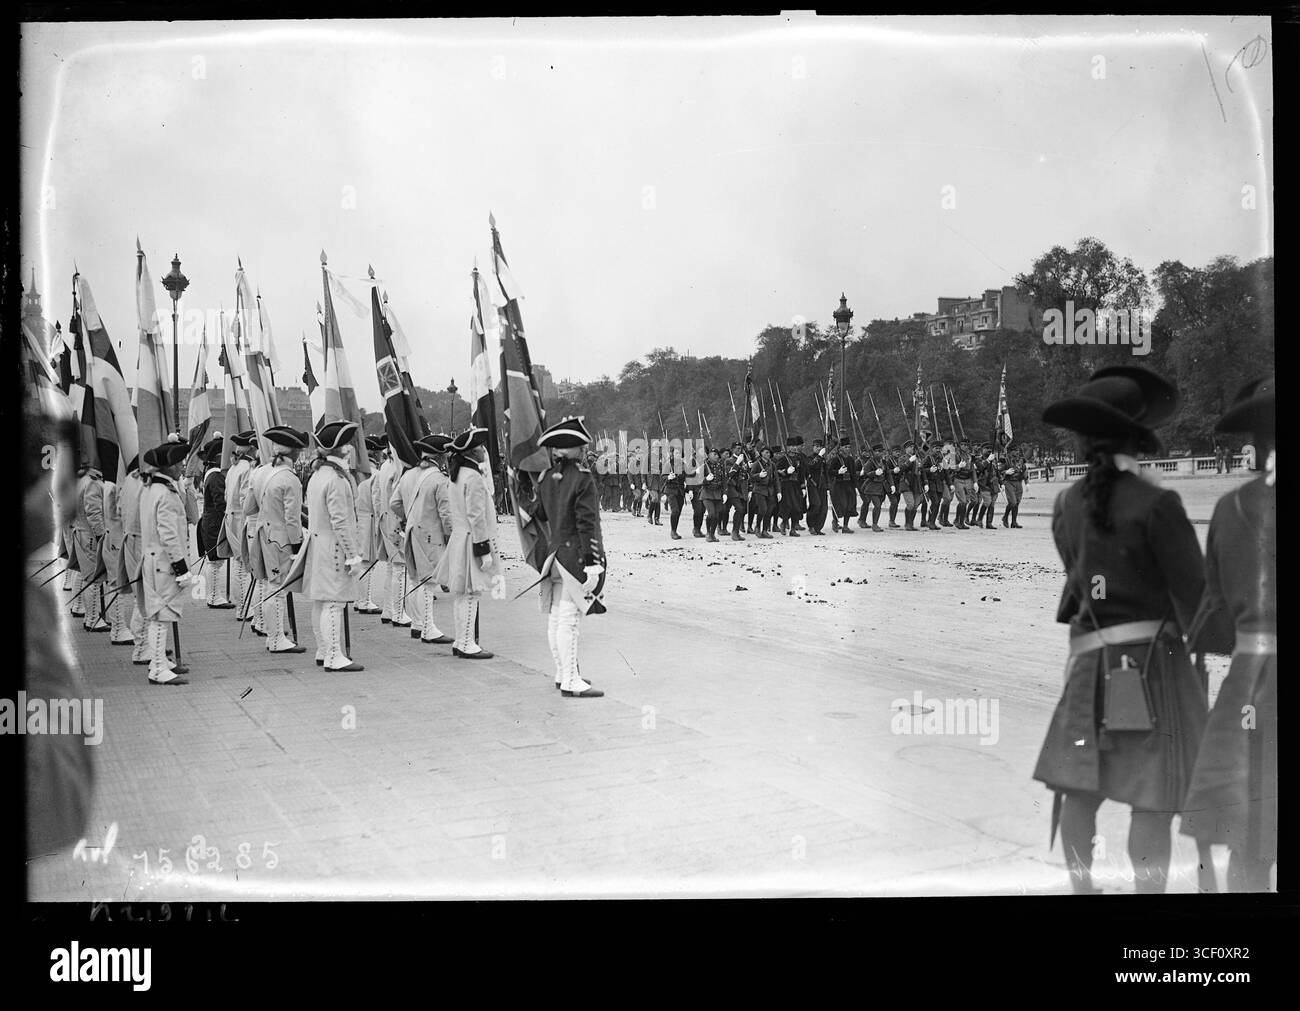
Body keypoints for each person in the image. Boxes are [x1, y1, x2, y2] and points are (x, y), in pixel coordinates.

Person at [1033, 365, 1207, 894]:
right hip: (1152, 668)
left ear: (1082, 441)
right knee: (1150, 797)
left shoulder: (1065, 503)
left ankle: (1084, 891)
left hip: (1090, 665)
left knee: (1080, 790)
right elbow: (1195, 596)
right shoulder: (1159, 503)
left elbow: (1077, 582)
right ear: (1137, 437)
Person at [1181, 377, 1276, 891]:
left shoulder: (1230, 508)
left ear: (1256, 445)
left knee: (1250, 839)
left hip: (1248, 681)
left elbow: (1213, 617)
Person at [533, 417, 607, 698]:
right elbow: (587, 525)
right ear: (576, 449)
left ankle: (563, 672)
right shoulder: (583, 478)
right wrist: (594, 564)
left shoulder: (545, 478)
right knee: (569, 621)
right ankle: (571, 680)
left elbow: (539, 514)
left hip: (553, 556)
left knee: (556, 619)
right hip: (574, 557)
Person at [299, 420, 366, 672]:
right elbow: (341, 522)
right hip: (335, 548)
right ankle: (334, 656)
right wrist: (353, 555)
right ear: (339, 450)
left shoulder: (319, 474)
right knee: (334, 603)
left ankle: (324, 650)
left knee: (321, 601)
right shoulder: (337, 479)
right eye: (346, 444)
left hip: (319, 544)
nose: (349, 448)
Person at [433, 426, 502, 660]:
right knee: (472, 593)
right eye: (481, 447)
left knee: (462, 594)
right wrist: (484, 551)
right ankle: (466, 643)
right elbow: (477, 517)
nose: (484, 450)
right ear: (472, 453)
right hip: (473, 539)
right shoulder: (472, 477)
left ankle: (462, 640)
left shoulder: (457, 475)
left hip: (460, 538)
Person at [139, 438, 195, 685]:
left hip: (152, 560)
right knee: (162, 616)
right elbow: (169, 535)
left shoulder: (152, 489)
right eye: (179, 462)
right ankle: (159, 668)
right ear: (169, 467)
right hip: (164, 563)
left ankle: (159, 660)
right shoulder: (167, 494)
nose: (182, 466)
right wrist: (181, 568)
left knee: (158, 615)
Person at [393, 433, 455, 645]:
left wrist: (408, 518)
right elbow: (447, 515)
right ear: (439, 457)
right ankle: (428, 628)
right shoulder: (439, 479)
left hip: (411, 531)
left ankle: (417, 624)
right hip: (431, 535)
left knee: (415, 579)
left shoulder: (408, 475)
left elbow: (394, 503)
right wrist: (452, 537)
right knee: (428, 582)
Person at [257, 426, 308, 654]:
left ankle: (273, 636)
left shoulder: (263, 473)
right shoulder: (290, 479)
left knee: (271, 586)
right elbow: (292, 519)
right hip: (282, 540)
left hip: (265, 535)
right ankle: (277, 638)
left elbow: (251, 506)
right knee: (277, 590)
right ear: (294, 453)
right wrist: (297, 545)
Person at [374, 438, 413, 628]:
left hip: (384, 519)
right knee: (400, 568)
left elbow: (376, 496)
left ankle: (388, 610)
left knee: (391, 568)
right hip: (396, 522)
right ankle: (398, 612)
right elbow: (399, 501)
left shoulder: (383, 467)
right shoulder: (398, 469)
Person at [223, 430, 259, 622]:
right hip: (242, 517)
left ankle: (241, 606)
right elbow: (247, 500)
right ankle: (245, 607)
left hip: (230, 516)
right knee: (245, 564)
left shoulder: (234, 467)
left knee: (238, 565)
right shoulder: (246, 467)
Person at [70, 462, 108, 630]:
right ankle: (93, 618)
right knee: (94, 578)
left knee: (87, 575)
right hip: (90, 534)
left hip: (81, 530)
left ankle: (89, 616)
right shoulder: (92, 481)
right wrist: (102, 536)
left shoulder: (81, 478)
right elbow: (93, 512)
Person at [199, 438, 234, 609]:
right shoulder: (216, 476)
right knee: (215, 561)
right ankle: (213, 596)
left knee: (214, 561)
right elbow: (221, 503)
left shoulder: (212, 474)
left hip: (211, 521)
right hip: (215, 523)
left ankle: (214, 595)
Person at [353, 436, 383, 614]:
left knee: (361, 560)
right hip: (369, 518)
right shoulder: (375, 475)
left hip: (358, 517)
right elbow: (377, 502)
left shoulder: (355, 472)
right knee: (367, 562)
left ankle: (360, 599)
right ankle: (364, 600)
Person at [828, 437, 858, 533]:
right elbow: (829, 472)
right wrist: (838, 471)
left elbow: (853, 474)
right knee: (840, 505)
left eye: (849, 447)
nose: (847, 449)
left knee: (849, 505)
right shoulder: (835, 459)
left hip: (848, 484)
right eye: (845, 447)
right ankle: (835, 521)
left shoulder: (850, 459)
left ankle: (845, 526)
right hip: (838, 485)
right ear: (840, 448)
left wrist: (855, 486)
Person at [748, 446, 777, 538]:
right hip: (759, 489)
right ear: (761, 453)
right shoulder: (757, 464)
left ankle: (764, 530)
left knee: (769, 511)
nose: (767, 454)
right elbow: (751, 477)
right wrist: (759, 475)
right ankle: (757, 526)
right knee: (763, 509)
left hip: (769, 490)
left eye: (768, 453)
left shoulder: (772, 465)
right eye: (765, 452)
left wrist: (779, 491)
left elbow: (776, 479)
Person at [723, 443, 749, 541]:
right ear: (733, 449)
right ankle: (734, 532)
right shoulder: (728, 461)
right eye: (737, 449)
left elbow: (745, 476)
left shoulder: (743, 460)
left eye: (741, 449)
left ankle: (736, 532)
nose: (740, 450)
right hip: (731, 488)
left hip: (740, 488)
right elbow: (730, 474)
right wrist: (737, 463)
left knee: (741, 510)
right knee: (739, 508)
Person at [804, 437, 829, 535]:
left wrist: (828, 485)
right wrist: (819, 456)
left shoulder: (823, 459)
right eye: (817, 446)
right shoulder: (810, 458)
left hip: (822, 485)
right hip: (813, 484)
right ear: (813, 447)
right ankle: (811, 525)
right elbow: (811, 465)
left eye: (820, 447)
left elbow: (825, 472)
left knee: (824, 507)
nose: (818, 449)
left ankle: (818, 527)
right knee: (815, 504)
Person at [699, 446, 725, 542]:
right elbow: (697, 480)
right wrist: (706, 479)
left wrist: (725, 493)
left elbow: (724, 480)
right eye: (714, 454)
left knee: (717, 515)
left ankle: (712, 534)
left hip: (717, 493)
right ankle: (708, 533)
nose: (716, 456)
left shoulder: (720, 466)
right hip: (707, 493)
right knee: (712, 514)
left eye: (717, 455)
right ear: (709, 456)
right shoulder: (704, 465)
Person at [951, 438, 975, 529]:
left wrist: (975, 482)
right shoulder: (955, 455)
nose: (965, 446)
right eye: (963, 445)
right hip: (958, 479)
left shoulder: (969, 455)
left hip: (968, 479)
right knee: (963, 501)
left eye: (966, 445)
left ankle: (960, 521)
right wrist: (958, 466)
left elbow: (972, 469)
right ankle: (958, 521)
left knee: (966, 501)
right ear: (959, 445)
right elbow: (949, 467)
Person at [1001, 448, 1028, 528]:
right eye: (1014, 450)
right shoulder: (1005, 460)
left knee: (1017, 502)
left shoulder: (1021, 460)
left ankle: (1014, 522)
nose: (1016, 452)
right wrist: (1005, 472)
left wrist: (1027, 483)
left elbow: (1024, 471)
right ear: (1010, 451)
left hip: (1018, 483)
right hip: (1009, 482)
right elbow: (998, 471)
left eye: (1017, 451)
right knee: (1012, 502)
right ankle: (1005, 517)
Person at [663, 452, 687, 540]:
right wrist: (668, 477)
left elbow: (688, 477)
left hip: (680, 491)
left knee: (678, 512)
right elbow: (662, 477)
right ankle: (673, 531)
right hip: (670, 490)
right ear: (672, 454)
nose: (678, 455)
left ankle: (675, 530)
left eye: (680, 453)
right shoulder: (668, 464)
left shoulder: (684, 465)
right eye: (676, 453)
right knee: (675, 510)